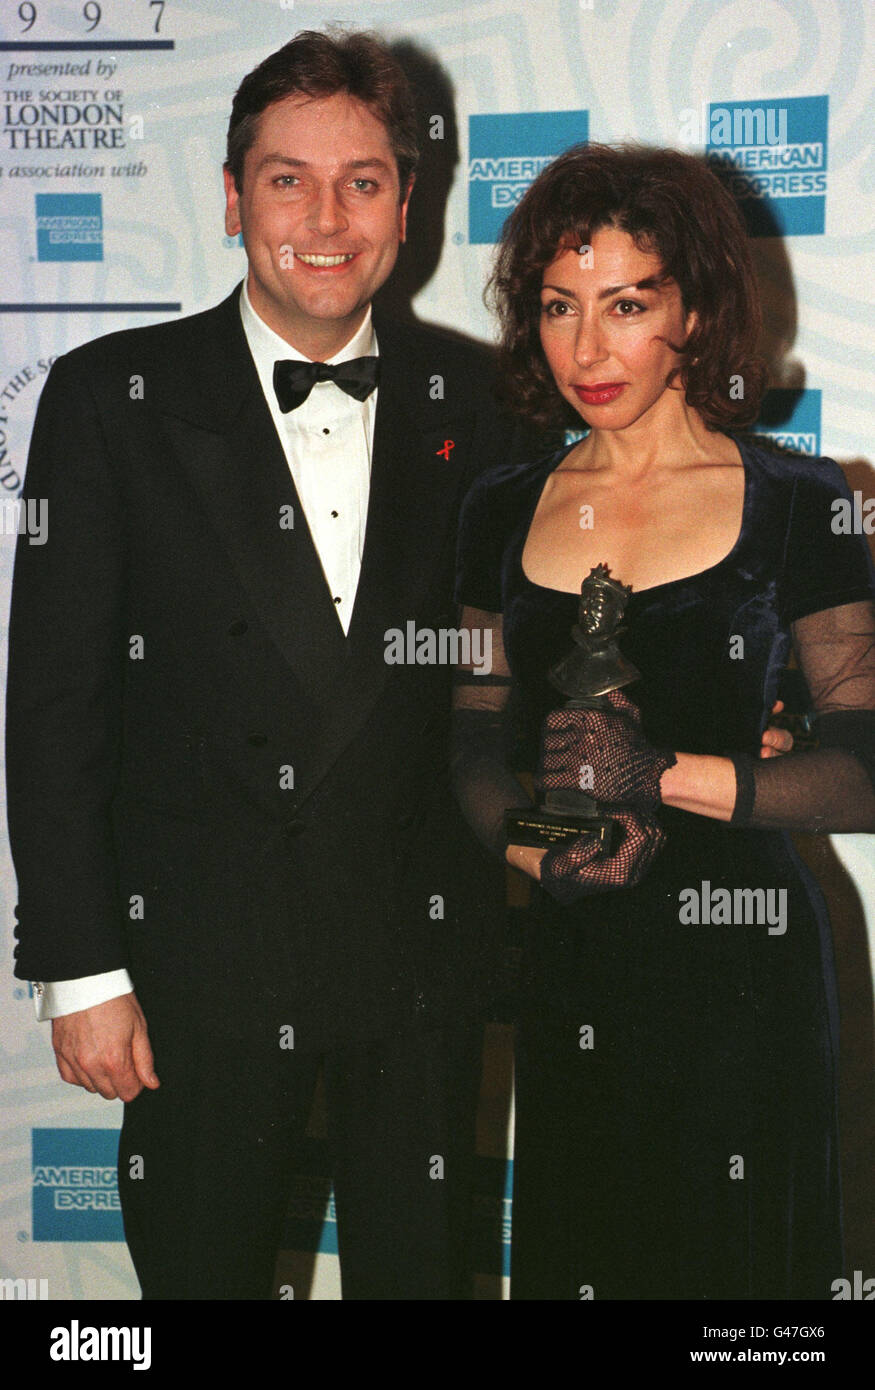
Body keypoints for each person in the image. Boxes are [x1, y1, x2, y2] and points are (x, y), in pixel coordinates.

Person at [5, 29, 541, 1300]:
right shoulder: (106, 397)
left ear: (408, 208)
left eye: (362, 180)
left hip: (417, 964)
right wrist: (80, 967)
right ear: (234, 196)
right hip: (197, 973)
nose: (324, 216)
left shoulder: (493, 408)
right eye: (287, 178)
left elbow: (529, 673)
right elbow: (54, 703)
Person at [451, 143, 875, 1300]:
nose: (586, 349)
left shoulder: (798, 501)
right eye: (556, 307)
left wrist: (659, 774)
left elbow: (859, 766)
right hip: (577, 956)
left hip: (741, 975)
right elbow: (471, 739)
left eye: (625, 305)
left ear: (693, 309)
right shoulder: (498, 506)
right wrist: (542, 849)